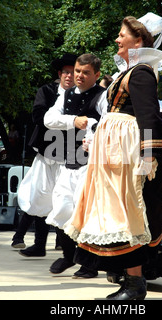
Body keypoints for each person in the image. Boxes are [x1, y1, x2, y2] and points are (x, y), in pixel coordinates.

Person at [65, 13, 162, 300]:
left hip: (126, 150)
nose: (117, 39)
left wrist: (150, 155)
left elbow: (149, 115)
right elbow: (112, 114)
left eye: (122, 35)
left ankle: (135, 285)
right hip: (113, 149)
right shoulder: (129, 72)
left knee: (125, 212)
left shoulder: (141, 72)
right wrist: (97, 139)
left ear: (138, 40)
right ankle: (127, 278)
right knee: (112, 213)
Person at [44, 53, 106, 279]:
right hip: (66, 161)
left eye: (85, 72)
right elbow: (48, 119)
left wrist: (92, 128)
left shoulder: (102, 96)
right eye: (77, 71)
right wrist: (73, 121)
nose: (79, 75)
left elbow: (107, 122)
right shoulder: (66, 94)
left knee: (86, 215)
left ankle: (89, 264)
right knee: (61, 209)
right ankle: (69, 256)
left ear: (96, 75)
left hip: (89, 165)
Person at [14, 53, 77, 255]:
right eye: (65, 72)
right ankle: (39, 245)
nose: (69, 76)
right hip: (46, 153)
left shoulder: (81, 96)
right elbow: (38, 117)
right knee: (41, 197)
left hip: (70, 157)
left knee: (65, 200)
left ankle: (68, 247)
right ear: (60, 74)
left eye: (72, 72)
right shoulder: (47, 91)